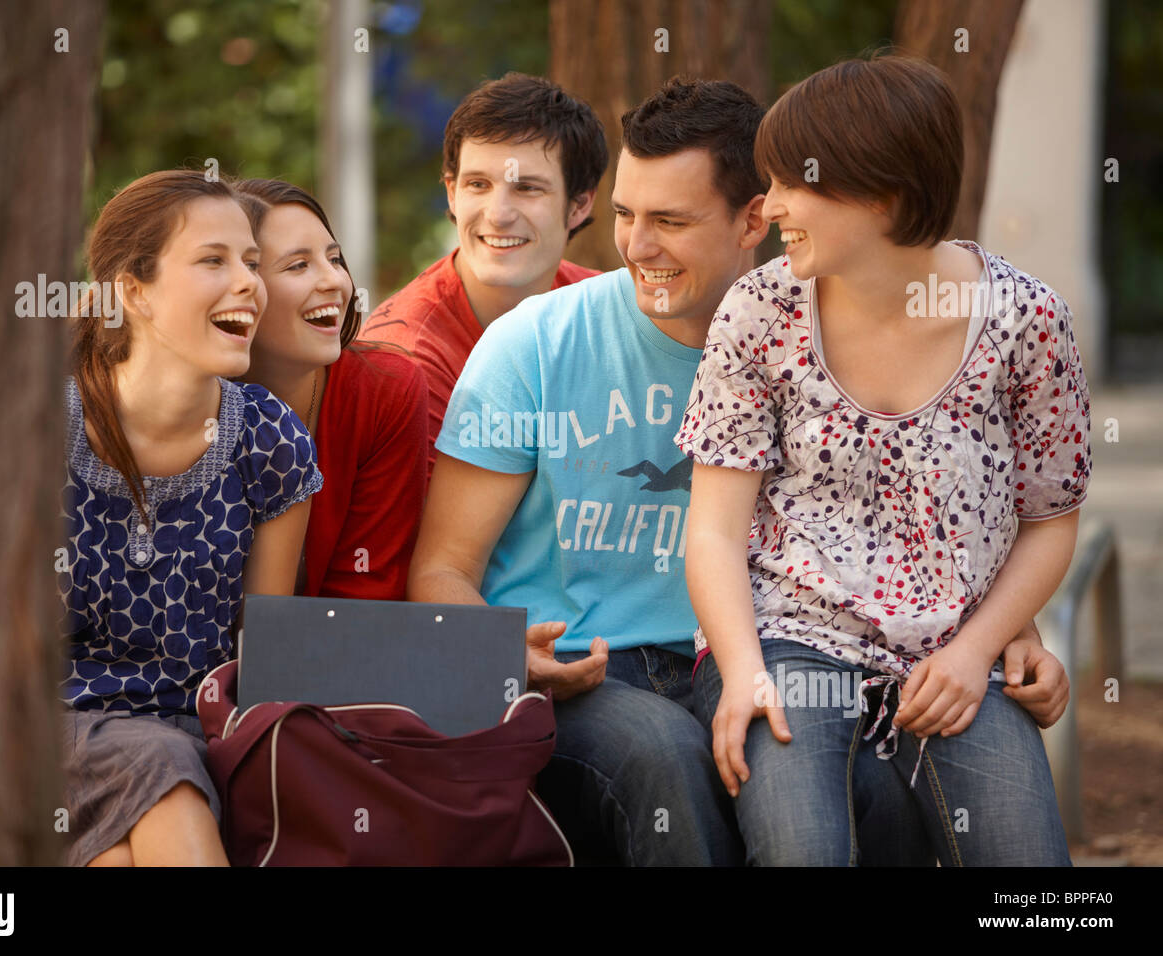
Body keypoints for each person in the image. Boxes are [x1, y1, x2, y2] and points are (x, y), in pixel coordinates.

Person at [410, 76, 1075, 867]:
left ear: (752, 218)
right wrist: (498, 649)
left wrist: (1007, 627)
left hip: (741, 650)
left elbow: (936, 500)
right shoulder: (538, 343)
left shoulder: (804, 324)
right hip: (594, 668)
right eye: (625, 215)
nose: (635, 246)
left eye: (671, 221)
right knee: (668, 752)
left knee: (874, 789)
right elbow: (443, 567)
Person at [679, 55, 1088, 866]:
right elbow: (716, 531)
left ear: (883, 192)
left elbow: (1050, 520)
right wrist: (741, 672)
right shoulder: (761, 311)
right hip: (788, 636)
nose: (773, 208)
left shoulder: (1025, 319)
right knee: (801, 851)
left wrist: (978, 652)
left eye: (794, 184)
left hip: (957, 645)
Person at [57, 170, 321, 866]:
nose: (249, 284)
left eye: (252, 263)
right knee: (163, 783)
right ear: (132, 289)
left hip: (201, 737)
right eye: (214, 260)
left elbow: (264, 656)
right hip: (50, 731)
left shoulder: (272, 442)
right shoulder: (37, 433)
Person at [361, 72, 608, 479]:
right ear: (452, 193)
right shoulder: (404, 359)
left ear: (579, 204)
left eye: (527, 188)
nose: (498, 214)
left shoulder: (603, 307)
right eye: (478, 184)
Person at [236, 178, 429, 599]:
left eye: (335, 259)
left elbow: (365, 595)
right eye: (298, 265)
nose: (335, 283)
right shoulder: (196, 396)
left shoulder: (386, 388)